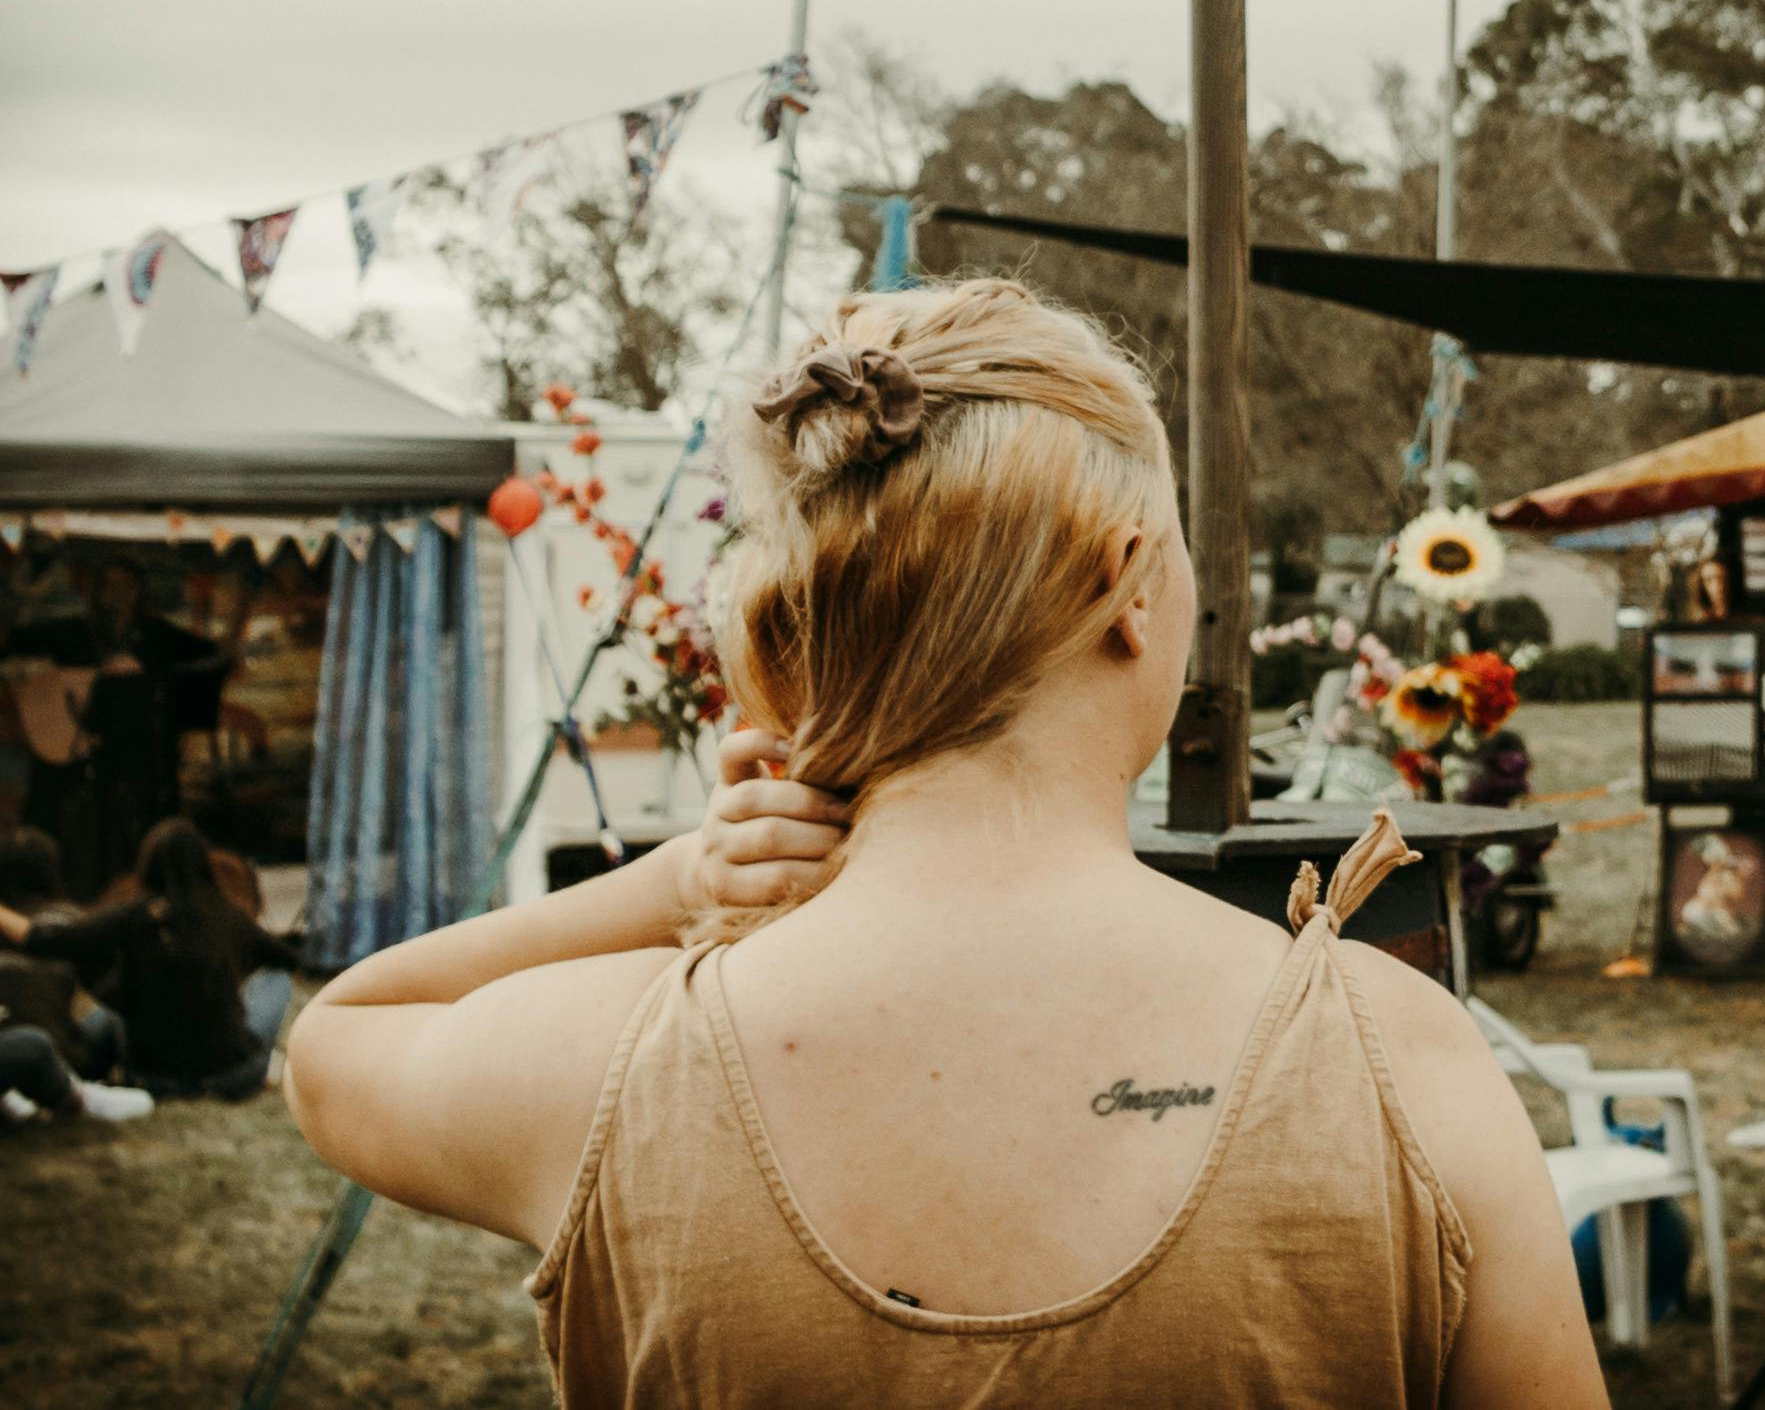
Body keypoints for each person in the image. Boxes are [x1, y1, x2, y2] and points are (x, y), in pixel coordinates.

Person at [285, 276, 1608, 1407]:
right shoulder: (1395, 1054)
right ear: (1126, 580)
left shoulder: (613, 1067)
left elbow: (340, 1032)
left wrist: (676, 883)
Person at [0, 814, 299, 1100]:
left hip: (150, 1080)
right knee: (277, 979)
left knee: (106, 1017)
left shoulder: (132, 916)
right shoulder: (224, 914)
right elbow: (288, 958)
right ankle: (262, 1057)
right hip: (231, 1079)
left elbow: (44, 940)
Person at [6, 556, 224, 889]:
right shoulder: (74, 632)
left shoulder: (154, 635)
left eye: (127, 586)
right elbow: (17, 648)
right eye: (110, 585)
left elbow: (206, 658)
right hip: (79, 763)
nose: (118, 594)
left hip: (137, 764)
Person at [0, 831, 151, 1126]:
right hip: (63, 1054)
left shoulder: (10, 921)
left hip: (16, 1042)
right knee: (105, 1019)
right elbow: (111, 990)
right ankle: (98, 1088)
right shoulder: (70, 918)